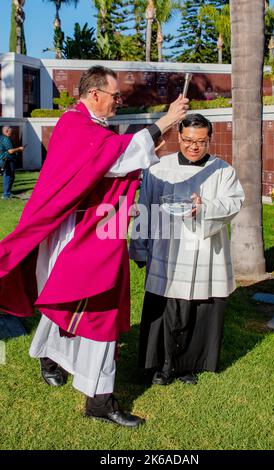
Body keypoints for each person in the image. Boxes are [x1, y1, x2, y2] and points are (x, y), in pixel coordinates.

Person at [0, 66, 189, 427]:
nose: (118, 102)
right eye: (115, 96)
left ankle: (51, 357)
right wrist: (164, 120)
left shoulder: (90, 126)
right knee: (97, 307)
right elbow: (112, 158)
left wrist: (148, 146)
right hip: (77, 233)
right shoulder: (75, 125)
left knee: (79, 302)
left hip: (93, 228)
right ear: (94, 94)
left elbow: (112, 163)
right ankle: (98, 399)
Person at [129, 113, 245, 386]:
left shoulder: (223, 170)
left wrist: (205, 207)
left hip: (205, 250)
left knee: (198, 307)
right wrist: (139, 246)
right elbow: (144, 207)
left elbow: (234, 203)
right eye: (188, 140)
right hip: (166, 249)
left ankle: (188, 365)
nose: (194, 146)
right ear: (179, 137)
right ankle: (158, 364)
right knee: (165, 307)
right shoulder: (158, 168)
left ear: (210, 140)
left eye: (201, 142)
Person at [0, 126, 24, 199]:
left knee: (11, 176)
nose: (12, 133)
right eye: (11, 131)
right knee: (8, 176)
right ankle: (6, 195)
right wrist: (19, 149)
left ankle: (7, 193)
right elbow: (10, 151)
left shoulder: (2, 137)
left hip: (6, 159)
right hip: (7, 160)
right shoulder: (6, 139)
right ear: (7, 131)